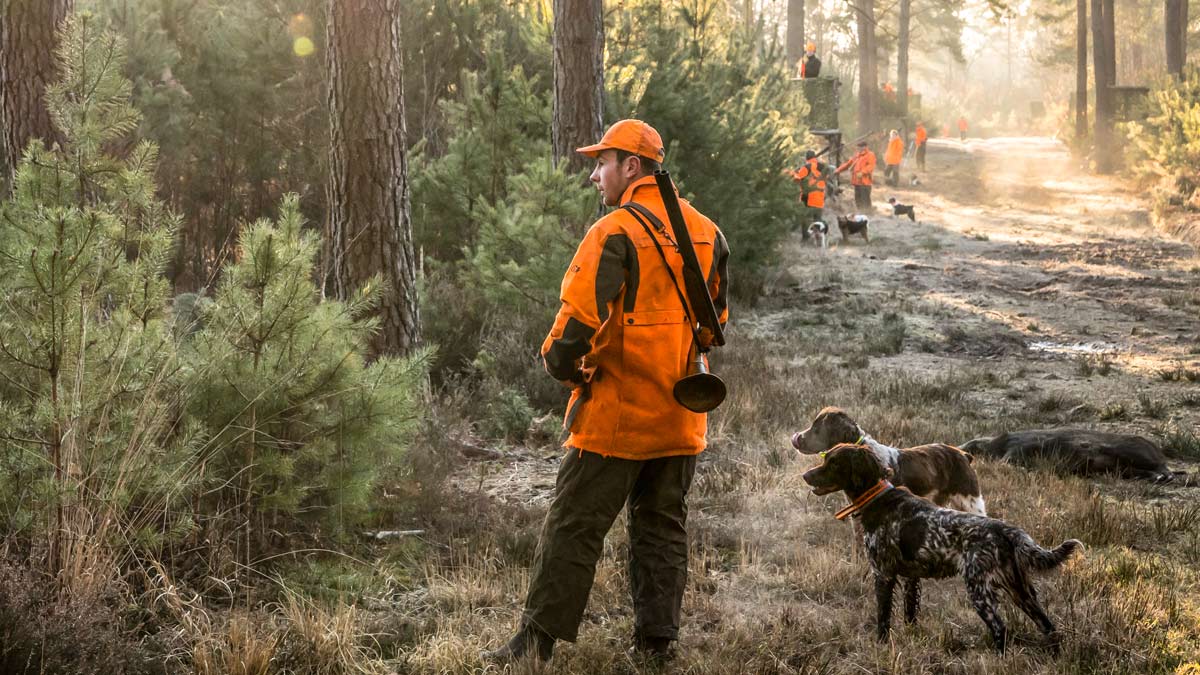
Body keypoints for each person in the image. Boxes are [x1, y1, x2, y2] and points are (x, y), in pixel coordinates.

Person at [482, 119, 731, 666]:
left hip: (616, 419)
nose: (596, 175)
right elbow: (714, 326)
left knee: (573, 525)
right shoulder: (708, 232)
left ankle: (536, 642)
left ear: (632, 167)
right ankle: (658, 643)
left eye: (603, 163)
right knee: (663, 526)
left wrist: (563, 368)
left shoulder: (613, 232)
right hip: (681, 418)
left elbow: (574, 328)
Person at [792, 149, 827, 232]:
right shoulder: (823, 167)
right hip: (820, 196)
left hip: (808, 197)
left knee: (806, 219)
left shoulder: (806, 167)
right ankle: (820, 238)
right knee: (818, 219)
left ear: (806, 158)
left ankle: (806, 238)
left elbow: (797, 179)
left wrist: (796, 172)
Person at [836, 140, 877, 210]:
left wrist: (862, 172)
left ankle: (868, 214)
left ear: (865, 147)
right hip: (856, 182)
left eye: (861, 147)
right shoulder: (856, 156)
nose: (859, 149)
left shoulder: (870, 155)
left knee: (865, 200)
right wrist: (838, 170)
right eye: (858, 147)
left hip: (865, 182)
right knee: (858, 200)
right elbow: (848, 164)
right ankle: (861, 213)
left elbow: (871, 166)